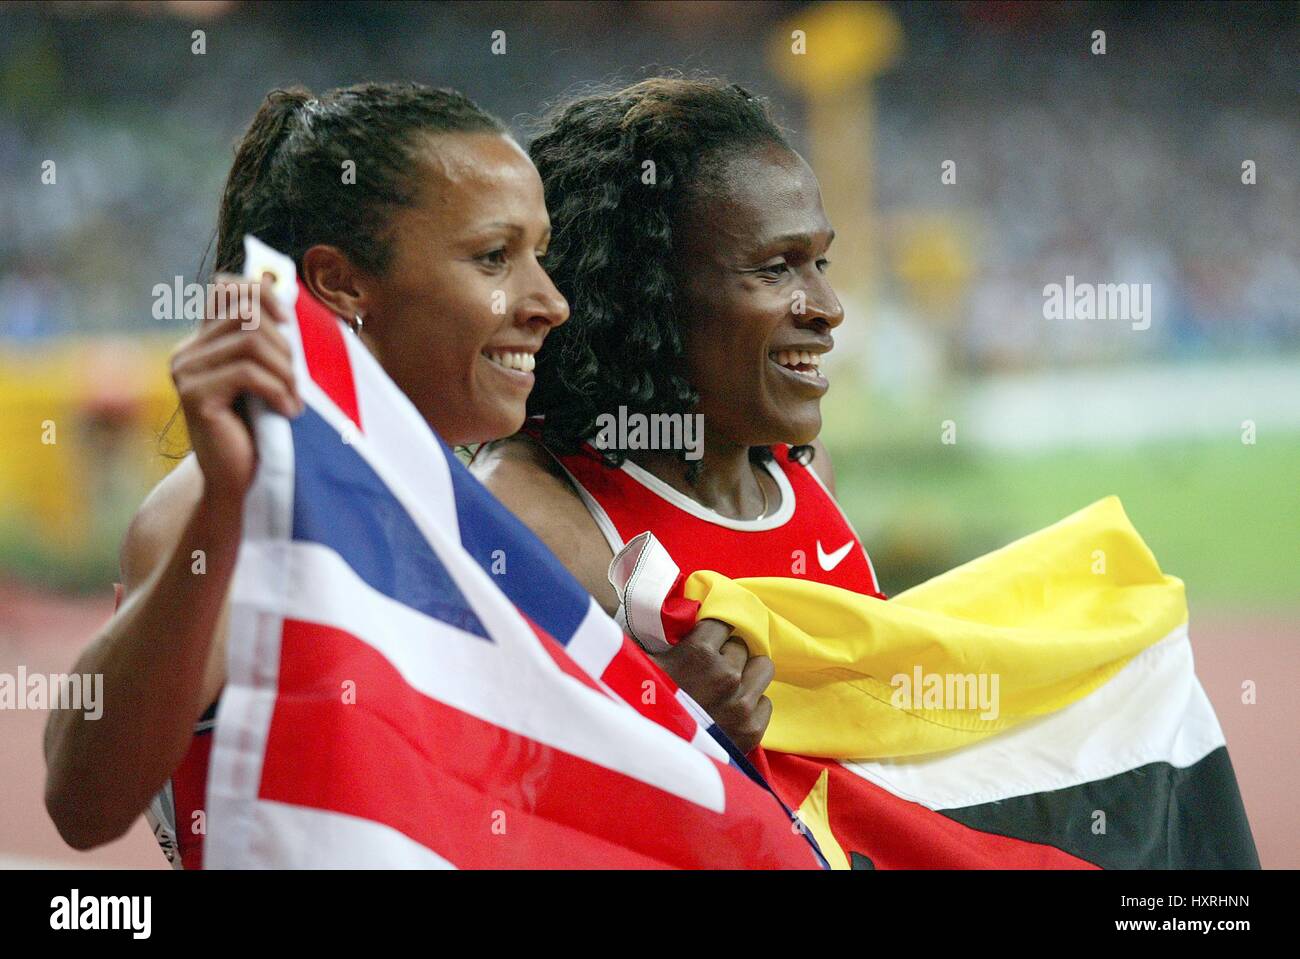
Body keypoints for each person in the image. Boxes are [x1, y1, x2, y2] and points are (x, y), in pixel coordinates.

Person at [43, 82, 571, 865]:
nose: (548, 301)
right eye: (495, 256)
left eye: (541, 255)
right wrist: (223, 515)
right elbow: (83, 803)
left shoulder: (452, 497)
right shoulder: (229, 500)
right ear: (342, 282)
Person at [473, 77, 886, 755]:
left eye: (820, 261)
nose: (827, 305)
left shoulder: (806, 478)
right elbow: (493, 792)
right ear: (652, 296)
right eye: (777, 268)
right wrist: (654, 717)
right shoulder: (536, 517)